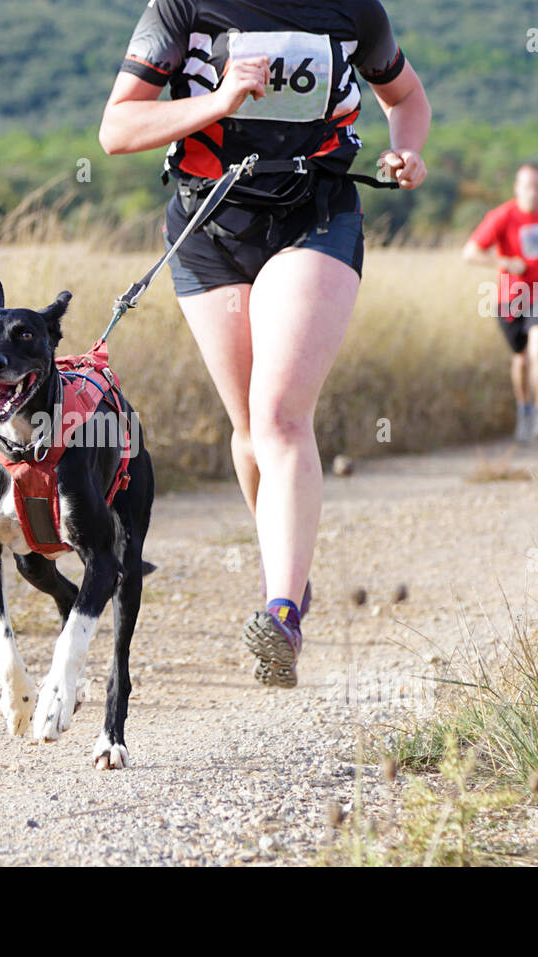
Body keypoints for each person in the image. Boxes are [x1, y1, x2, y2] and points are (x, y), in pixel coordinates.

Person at [98, 0, 430, 687]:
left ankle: (281, 612)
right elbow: (118, 129)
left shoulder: (352, 9)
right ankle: (288, 569)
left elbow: (404, 95)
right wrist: (218, 99)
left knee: (280, 414)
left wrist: (409, 150)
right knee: (249, 427)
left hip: (317, 217)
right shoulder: (181, 9)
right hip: (207, 226)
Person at [462, 163, 538, 441]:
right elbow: (470, 252)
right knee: (521, 359)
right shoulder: (502, 216)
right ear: (517, 188)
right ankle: (524, 408)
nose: (533, 192)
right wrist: (504, 262)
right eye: (527, 186)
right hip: (509, 298)